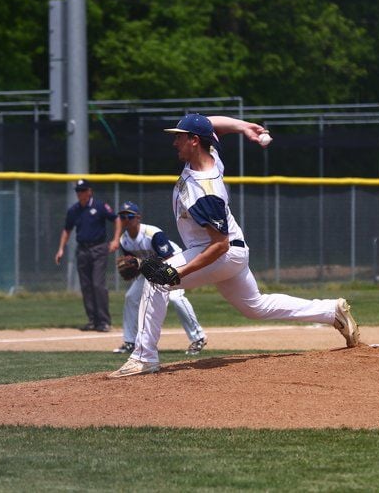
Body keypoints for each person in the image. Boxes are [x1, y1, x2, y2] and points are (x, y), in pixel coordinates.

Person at [109, 114, 360, 378]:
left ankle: (144, 357)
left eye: (179, 137)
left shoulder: (205, 191)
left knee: (157, 280)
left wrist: (178, 273)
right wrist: (243, 127)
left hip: (219, 253)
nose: (175, 143)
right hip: (229, 252)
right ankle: (331, 310)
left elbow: (220, 245)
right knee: (256, 307)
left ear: (194, 141)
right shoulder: (210, 153)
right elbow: (209, 123)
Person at [113, 200, 208, 355]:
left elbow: (168, 257)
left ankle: (198, 338)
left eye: (129, 216)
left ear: (138, 217)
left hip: (174, 264)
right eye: (122, 217)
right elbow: (134, 265)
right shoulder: (124, 240)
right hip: (150, 270)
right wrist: (134, 267)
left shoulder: (153, 234)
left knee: (176, 298)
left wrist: (141, 263)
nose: (126, 220)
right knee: (131, 296)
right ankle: (130, 341)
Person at [55, 178, 121, 332]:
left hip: (98, 249)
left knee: (98, 284)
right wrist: (60, 249)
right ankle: (92, 320)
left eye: (83, 190)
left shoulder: (99, 206)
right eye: (78, 191)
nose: (80, 193)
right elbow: (67, 229)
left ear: (89, 191)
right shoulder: (74, 210)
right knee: (86, 286)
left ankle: (104, 322)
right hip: (82, 250)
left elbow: (116, 218)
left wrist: (116, 239)